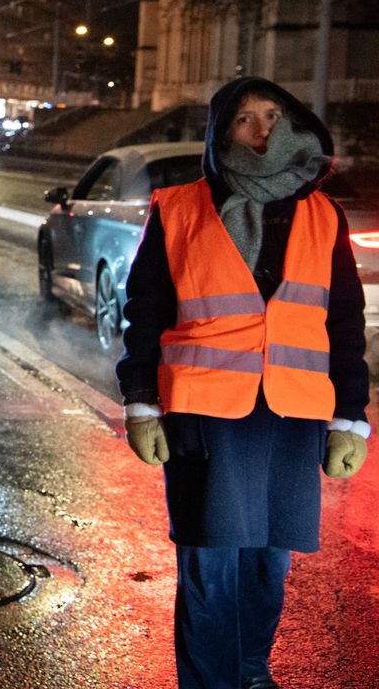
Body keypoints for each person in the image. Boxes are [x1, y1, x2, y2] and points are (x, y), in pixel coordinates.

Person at [116, 77, 370, 689]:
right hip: (205, 409)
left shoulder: (322, 214)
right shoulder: (177, 208)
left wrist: (351, 416)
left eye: (273, 116)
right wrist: (141, 402)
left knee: (269, 562)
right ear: (220, 131)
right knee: (210, 563)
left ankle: (253, 672)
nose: (262, 131)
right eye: (244, 119)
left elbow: (344, 321)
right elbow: (145, 310)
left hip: (292, 410)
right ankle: (210, 682)